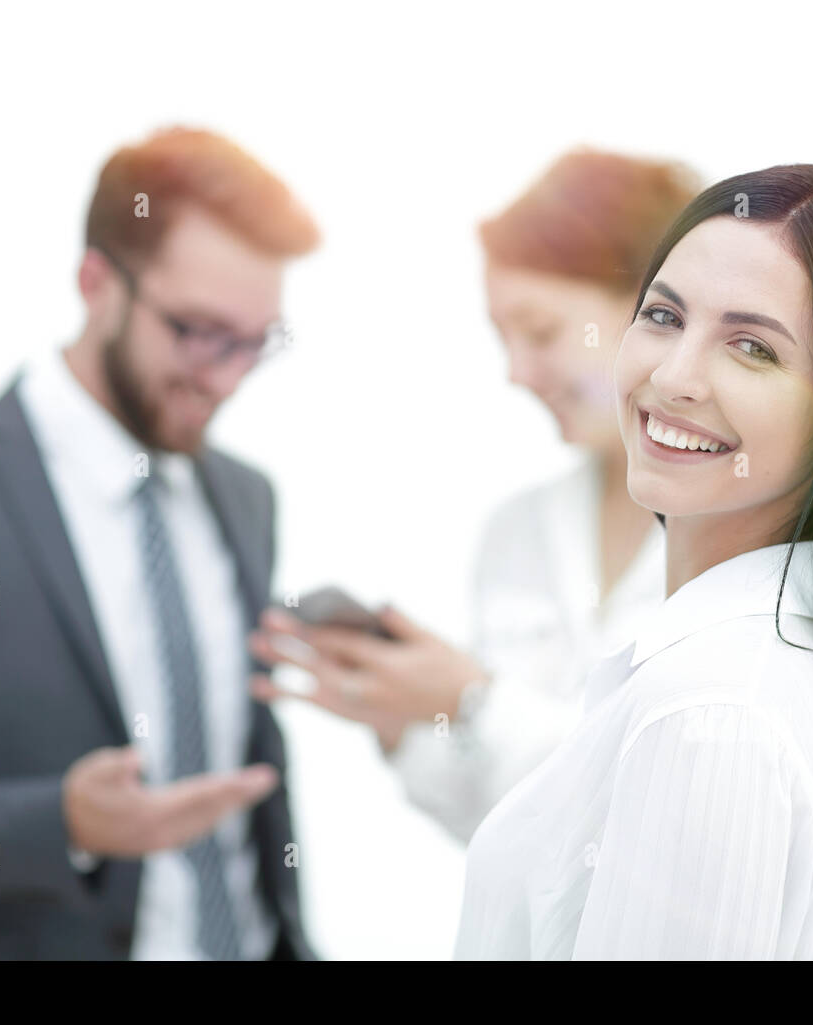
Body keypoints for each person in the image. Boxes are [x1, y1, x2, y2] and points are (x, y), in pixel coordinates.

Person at [0, 127, 321, 960]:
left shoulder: (245, 495)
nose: (226, 377)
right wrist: (60, 822)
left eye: (254, 343)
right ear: (96, 284)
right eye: (197, 332)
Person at [452, 164, 813, 960]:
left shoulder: (707, 717)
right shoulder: (772, 671)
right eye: (663, 316)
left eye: (752, 348)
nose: (672, 376)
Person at [248, 150, 699, 842]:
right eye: (502, 340)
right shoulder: (518, 530)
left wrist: (475, 701)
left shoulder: (750, 532)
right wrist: (404, 720)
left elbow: (674, 807)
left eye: (542, 333)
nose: (517, 373)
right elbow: (502, 824)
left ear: (656, 308)